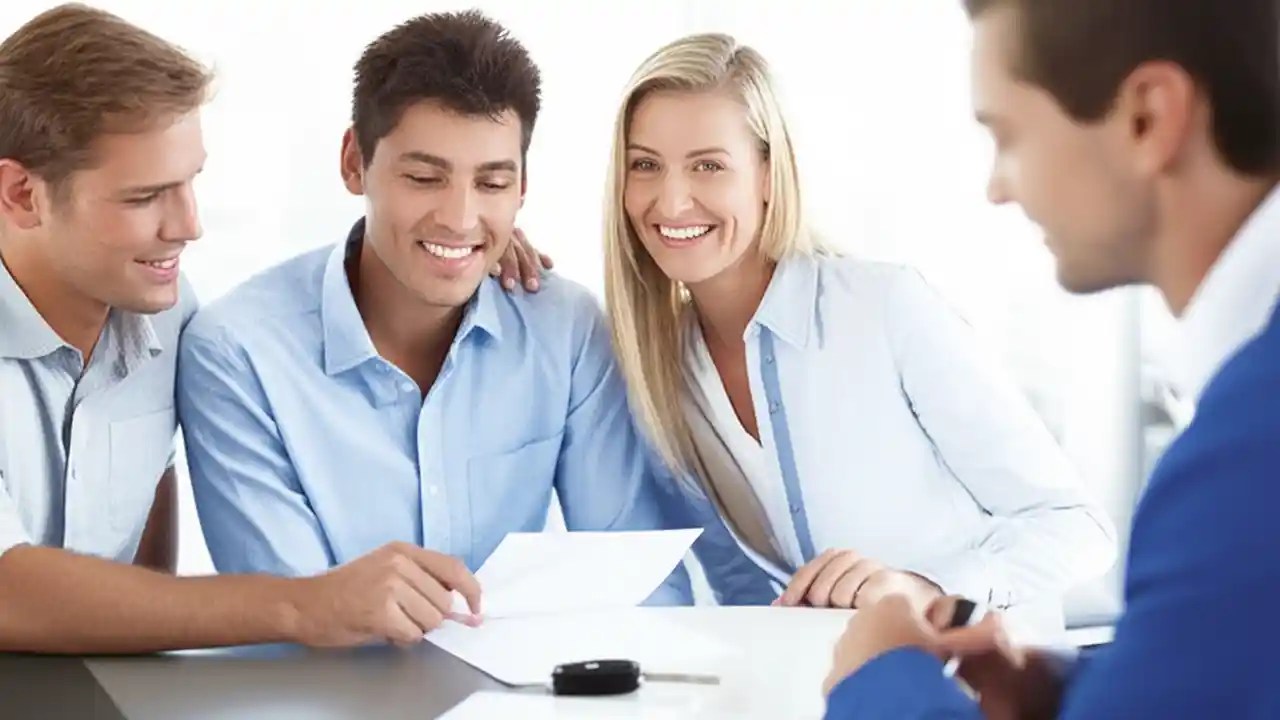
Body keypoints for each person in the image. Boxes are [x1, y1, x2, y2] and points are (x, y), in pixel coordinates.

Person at [0, 3, 548, 655]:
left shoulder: (164, 316)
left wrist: (462, 241)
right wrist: (302, 604)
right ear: (21, 195)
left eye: (190, 181)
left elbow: (145, 541)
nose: (188, 225)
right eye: (144, 197)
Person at [823, 0, 1280, 717]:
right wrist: (1072, 694)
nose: (997, 187)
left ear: (1149, 119)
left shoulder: (1251, 452)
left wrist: (880, 679)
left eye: (1007, 136)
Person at [598, 32, 1116, 625]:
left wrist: (929, 589)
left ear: (769, 175)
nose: (671, 199)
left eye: (708, 166)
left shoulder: (885, 309)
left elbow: (1076, 527)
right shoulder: (657, 368)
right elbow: (739, 592)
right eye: (645, 165)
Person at [175, 10, 691, 605]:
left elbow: (639, 581)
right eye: (424, 178)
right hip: (324, 693)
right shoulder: (238, 353)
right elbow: (295, 615)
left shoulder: (564, 329)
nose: (460, 217)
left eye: (492, 184)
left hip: (525, 695)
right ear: (354, 162)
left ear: (523, 186)